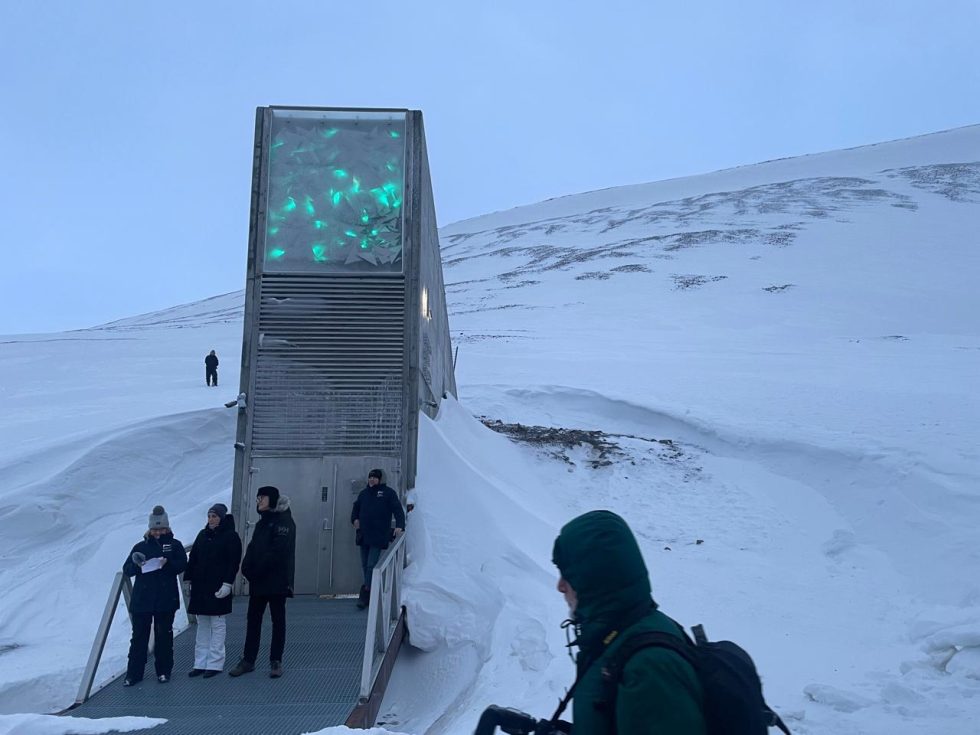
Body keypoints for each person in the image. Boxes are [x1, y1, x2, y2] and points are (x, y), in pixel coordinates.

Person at [551, 510, 706, 734]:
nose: (560, 586)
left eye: (568, 575)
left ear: (594, 577)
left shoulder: (648, 666)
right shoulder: (617, 636)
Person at [230, 486, 295, 679]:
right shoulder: (261, 524)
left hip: (277, 581)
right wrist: (247, 567)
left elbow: (278, 552)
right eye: (258, 498)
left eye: (263, 498)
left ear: (272, 499)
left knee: (278, 621)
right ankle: (248, 660)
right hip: (259, 582)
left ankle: (276, 660)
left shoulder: (284, 522)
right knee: (253, 620)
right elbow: (253, 548)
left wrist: (256, 569)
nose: (259, 501)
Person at [121, 505, 188, 686]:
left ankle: (164, 671)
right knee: (138, 637)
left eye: (161, 529)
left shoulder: (174, 545)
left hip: (166, 598)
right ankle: (134, 673)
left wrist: (167, 563)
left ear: (167, 528)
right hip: (143, 599)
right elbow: (127, 569)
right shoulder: (140, 546)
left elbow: (182, 564)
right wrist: (138, 565)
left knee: (164, 636)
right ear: (150, 529)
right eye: (155, 529)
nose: (158, 532)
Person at [184, 503, 242, 678]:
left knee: (217, 624)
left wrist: (227, 584)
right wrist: (187, 579)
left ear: (222, 517)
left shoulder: (231, 536)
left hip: (218, 586)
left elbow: (233, 562)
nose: (211, 519)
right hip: (201, 587)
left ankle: (215, 663)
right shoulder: (202, 535)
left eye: (214, 516)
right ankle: (200, 663)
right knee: (202, 624)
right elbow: (193, 558)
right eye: (209, 516)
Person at [350, 469, 405, 610]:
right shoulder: (364, 494)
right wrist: (354, 519)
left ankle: (366, 592)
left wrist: (400, 525)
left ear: (381, 479)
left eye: (375, 477)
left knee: (371, 564)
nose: (372, 480)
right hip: (363, 535)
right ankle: (370, 590)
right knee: (364, 564)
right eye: (370, 477)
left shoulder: (388, 493)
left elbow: (397, 509)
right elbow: (356, 508)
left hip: (378, 534)